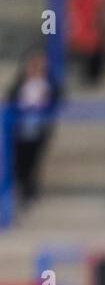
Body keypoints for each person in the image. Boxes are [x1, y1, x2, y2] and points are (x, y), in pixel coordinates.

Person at [5, 48, 61, 206]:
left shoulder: (49, 84)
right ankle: (18, 190)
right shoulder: (21, 84)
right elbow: (12, 100)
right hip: (19, 129)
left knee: (32, 160)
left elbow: (56, 101)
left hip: (38, 128)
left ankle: (29, 191)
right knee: (19, 160)